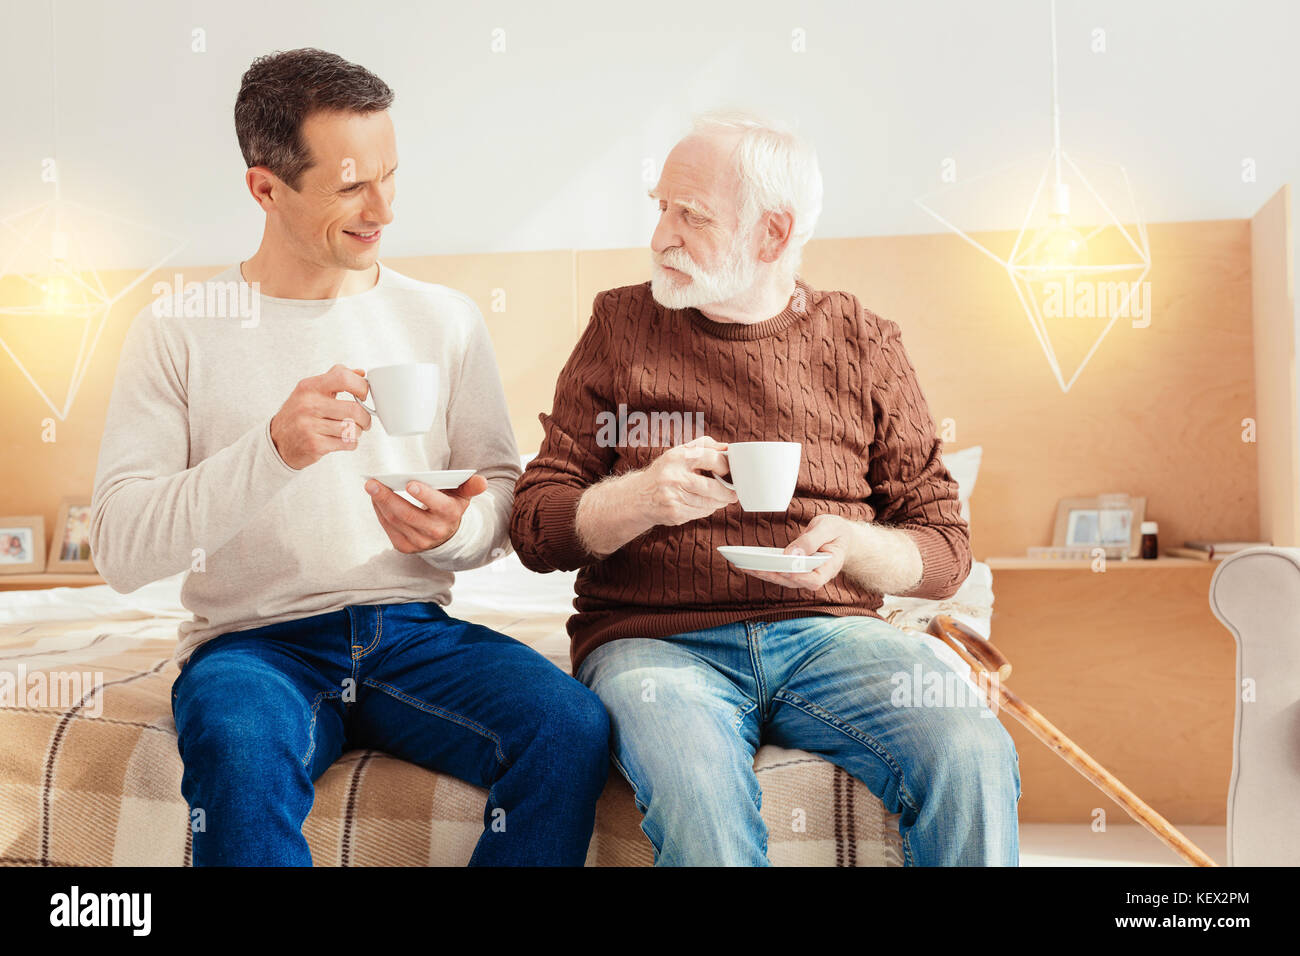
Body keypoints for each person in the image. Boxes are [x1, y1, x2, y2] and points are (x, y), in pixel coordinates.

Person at [90, 48, 608, 866]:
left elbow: (502, 494)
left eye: (390, 175)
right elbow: (119, 550)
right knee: (239, 746)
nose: (384, 210)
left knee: (571, 726)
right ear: (266, 187)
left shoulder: (444, 320)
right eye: (350, 186)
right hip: (254, 644)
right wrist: (270, 452)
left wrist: (454, 534)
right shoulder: (178, 329)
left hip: (415, 634)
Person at [511, 111, 1020, 866]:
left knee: (973, 747)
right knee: (699, 799)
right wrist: (642, 497)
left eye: (692, 216)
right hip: (654, 642)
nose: (659, 238)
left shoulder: (862, 340)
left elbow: (945, 552)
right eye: (661, 209)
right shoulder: (620, 324)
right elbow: (534, 526)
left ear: (773, 235)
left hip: (832, 633)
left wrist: (855, 547)